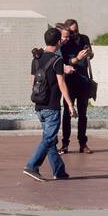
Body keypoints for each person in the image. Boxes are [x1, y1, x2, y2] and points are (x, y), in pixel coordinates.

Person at [24, 26, 77, 182]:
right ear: (58, 41)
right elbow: (61, 83)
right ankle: (32, 166)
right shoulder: (57, 60)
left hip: (39, 105)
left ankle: (59, 171)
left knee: (50, 139)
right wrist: (70, 104)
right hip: (52, 106)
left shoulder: (36, 58)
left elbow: (32, 80)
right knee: (48, 139)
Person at [58, 18, 94, 154]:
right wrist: (77, 58)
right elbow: (65, 61)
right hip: (70, 81)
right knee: (67, 113)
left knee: (83, 114)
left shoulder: (84, 39)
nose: (75, 35)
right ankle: (65, 143)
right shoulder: (65, 43)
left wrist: (89, 54)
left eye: (77, 31)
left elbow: (91, 55)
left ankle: (83, 143)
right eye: (72, 32)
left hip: (83, 80)